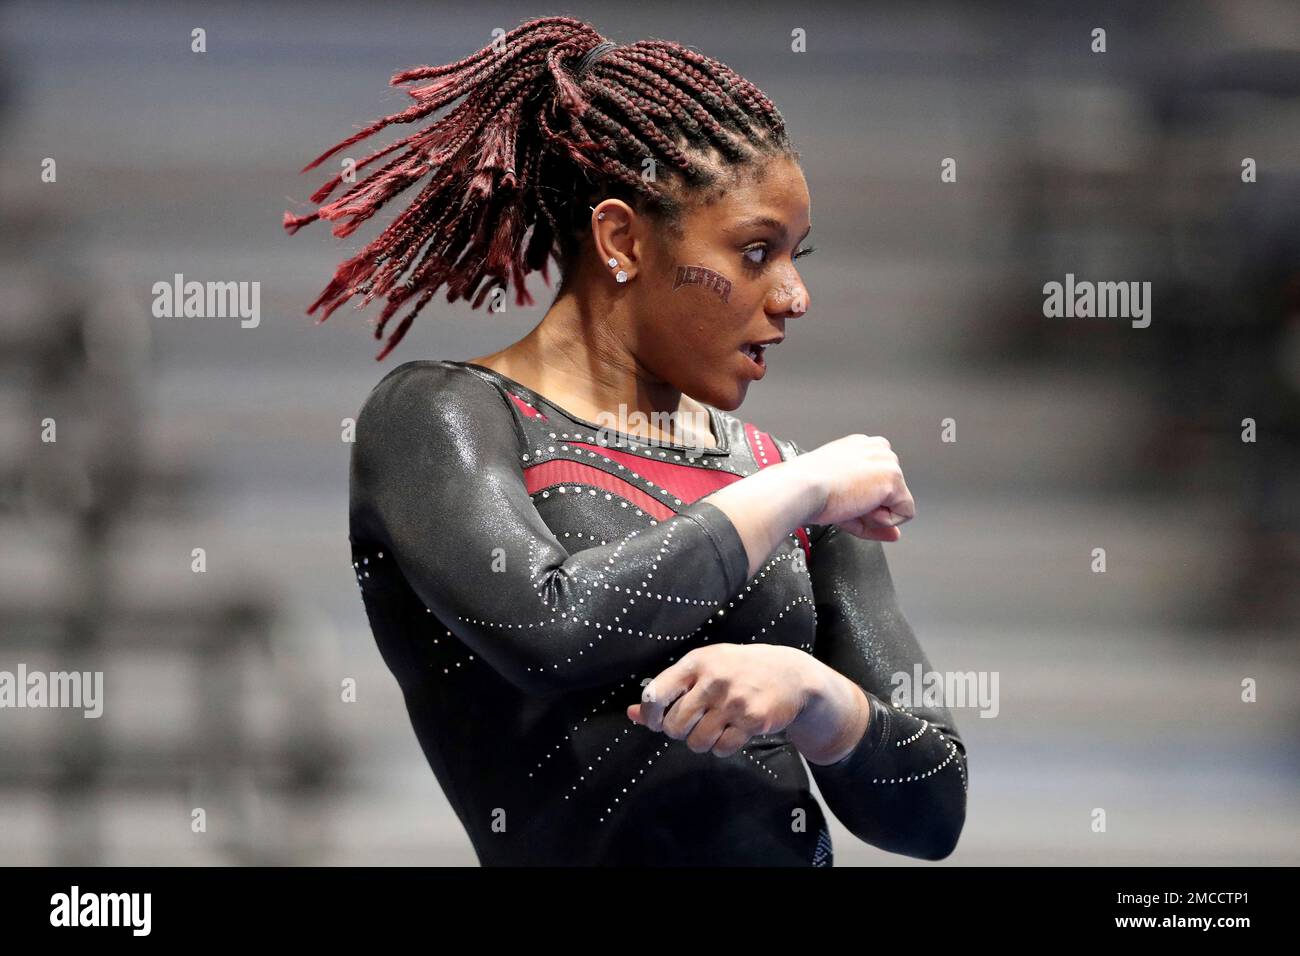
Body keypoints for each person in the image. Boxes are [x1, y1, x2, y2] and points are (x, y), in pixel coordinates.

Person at [287, 16, 967, 866]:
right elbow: (553, 630)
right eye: (756, 252)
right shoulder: (442, 418)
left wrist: (819, 699)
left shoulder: (783, 478)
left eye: (796, 257)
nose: (794, 296)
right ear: (622, 241)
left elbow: (934, 813)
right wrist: (790, 494)